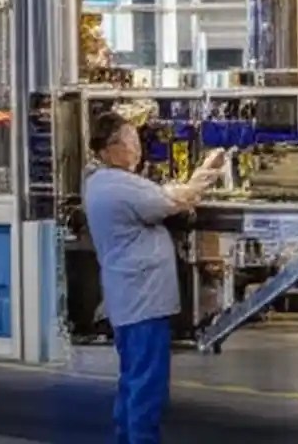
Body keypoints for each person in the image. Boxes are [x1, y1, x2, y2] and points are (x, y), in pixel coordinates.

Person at [83, 112, 224, 444]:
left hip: (130, 299)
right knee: (147, 387)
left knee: (132, 381)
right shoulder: (116, 185)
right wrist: (208, 172)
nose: (137, 150)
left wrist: (197, 177)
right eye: (130, 142)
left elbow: (164, 194)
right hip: (141, 301)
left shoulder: (106, 182)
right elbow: (172, 200)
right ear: (109, 149)